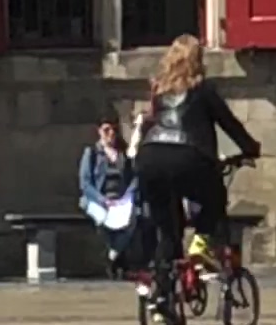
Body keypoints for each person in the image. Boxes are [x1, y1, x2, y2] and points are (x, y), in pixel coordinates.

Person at [134, 34, 260, 270]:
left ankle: (163, 284)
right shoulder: (203, 89)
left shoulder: (159, 90)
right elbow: (229, 123)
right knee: (215, 197)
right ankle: (200, 242)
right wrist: (250, 148)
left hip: (150, 158)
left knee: (168, 229)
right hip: (188, 157)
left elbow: (150, 123)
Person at [78, 111, 134, 277]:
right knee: (102, 220)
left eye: (114, 130)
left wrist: (126, 197)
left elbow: (134, 178)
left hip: (121, 199)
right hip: (98, 198)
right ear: (99, 131)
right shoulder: (92, 152)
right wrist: (102, 200)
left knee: (132, 220)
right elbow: (85, 183)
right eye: (106, 130)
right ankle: (115, 256)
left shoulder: (124, 153)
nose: (111, 134)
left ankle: (113, 255)